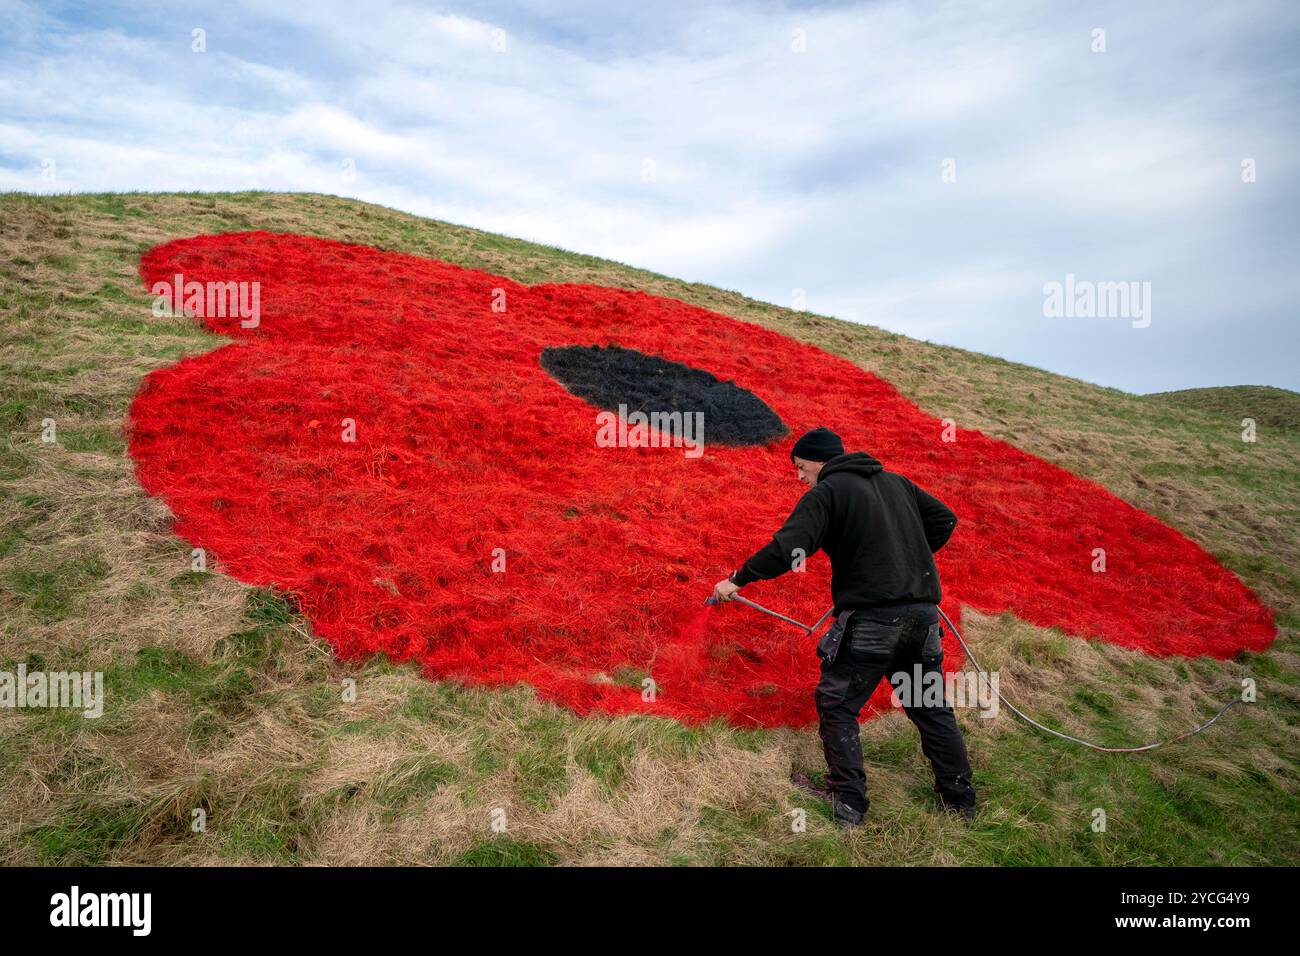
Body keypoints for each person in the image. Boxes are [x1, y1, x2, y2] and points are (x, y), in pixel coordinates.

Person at [711, 427, 976, 827]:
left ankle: (849, 803)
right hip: (923, 617)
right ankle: (961, 800)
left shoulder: (828, 492)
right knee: (930, 707)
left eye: (800, 468)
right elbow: (945, 519)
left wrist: (738, 578)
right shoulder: (896, 483)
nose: (800, 478)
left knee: (838, 706)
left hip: (872, 622)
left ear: (818, 461)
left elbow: (789, 548)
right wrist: (902, 563)